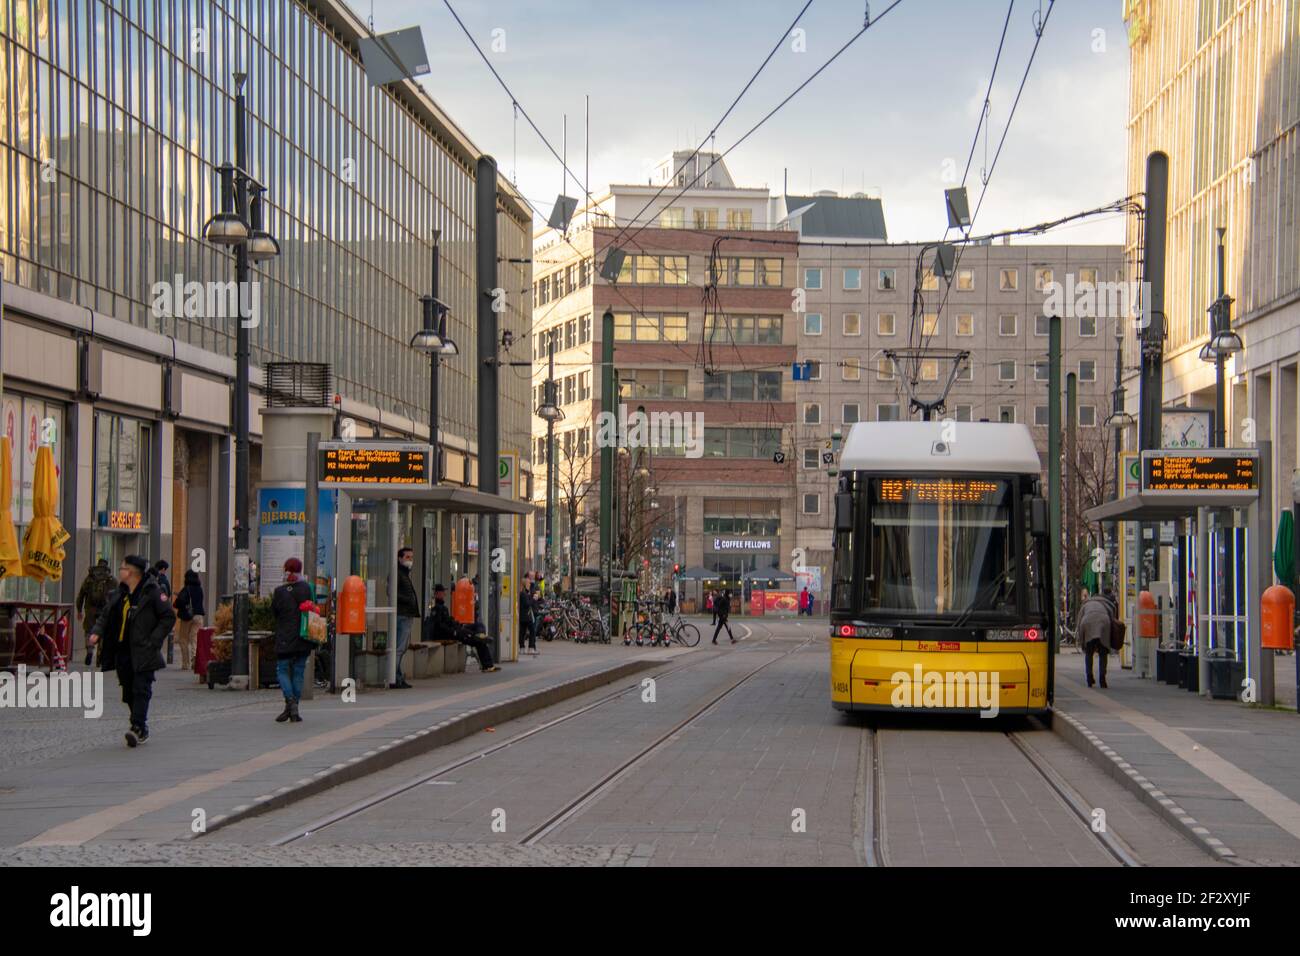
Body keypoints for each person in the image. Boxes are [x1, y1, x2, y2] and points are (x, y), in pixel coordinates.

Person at [88, 555, 175, 747]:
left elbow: (168, 617)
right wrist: (96, 633)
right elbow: (105, 616)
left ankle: (137, 727)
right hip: (123, 650)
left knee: (141, 688)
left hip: (144, 650)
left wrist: (154, 640)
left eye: (123, 568)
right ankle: (139, 724)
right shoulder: (118, 594)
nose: (120, 571)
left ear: (133, 572)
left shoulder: (152, 592)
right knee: (128, 690)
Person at [272, 557, 316, 722]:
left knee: (282, 670)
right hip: (304, 636)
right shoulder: (306, 588)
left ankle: (290, 701)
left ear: (285, 570)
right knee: (298, 672)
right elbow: (314, 608)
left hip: (285, 637)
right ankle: (293, 709)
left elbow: (274, 613)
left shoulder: (279, 591)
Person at [428, 583, 500, 672]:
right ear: (437, 593)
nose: (444, 594)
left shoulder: (443, 607)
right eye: (443, 592)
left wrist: (459, 625)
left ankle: (481, 636)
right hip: (449, 633)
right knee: (476, 640)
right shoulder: (436, 609)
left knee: (478, 625)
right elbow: (439, 626)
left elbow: (449, 621)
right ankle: (487, 664)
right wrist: (453, 631)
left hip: (455, 630)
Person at [76, 558, 114, 667]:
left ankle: (90, 650)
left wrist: (79, 610)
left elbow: (81, 595)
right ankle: (100, 657)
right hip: (104, 610)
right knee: (102, 631)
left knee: (89, 631)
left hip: (90, 609)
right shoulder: (110, 579)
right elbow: (116, 595)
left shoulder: (90, 578)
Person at [391, 547, 420, 689]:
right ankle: (394, 678)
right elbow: (392, 592)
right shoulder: (398, 574)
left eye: (411, 557)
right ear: (400, 558)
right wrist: (408, 600)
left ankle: (398, 676)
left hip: (405, 614)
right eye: (407, 557)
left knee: (400, 648)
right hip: (403, 614)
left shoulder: (404, 574)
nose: (410, 560)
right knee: (399, 648)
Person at [1079, 588, 1117, 689]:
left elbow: (1079, 621)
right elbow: (1112, 621)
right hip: (1104, 622)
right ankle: (1102, 679)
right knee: (1103, 653)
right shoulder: (1107, 604)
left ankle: (1089, 677)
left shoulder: (1086, 604)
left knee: (1089, 653)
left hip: (1087, 622)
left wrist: (1081, 639)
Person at [172, 569, 206, 675]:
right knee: (195, 638)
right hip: (199, 616)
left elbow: (179, 602)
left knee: (183, 639)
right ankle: (194, 660)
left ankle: (185, 663)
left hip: (187, 617)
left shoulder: (186, 589)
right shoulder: (199, 589)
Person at [519, 573, 538, 655]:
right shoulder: (523, 593)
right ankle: (530, 648)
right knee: (532, 631)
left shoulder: (525, 592)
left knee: (522, 632)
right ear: (525, 584)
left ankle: (522, 648)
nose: (529, 584)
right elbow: (527, 604)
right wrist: (534, 599)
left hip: (524, 615)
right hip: (527, 615)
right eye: (528, 583)